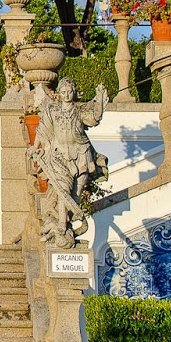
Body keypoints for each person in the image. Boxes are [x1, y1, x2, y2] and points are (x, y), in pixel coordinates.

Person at [27, 77, 108, 248]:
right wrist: (35, 147)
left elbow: (95, 118)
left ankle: (66, 225)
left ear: (74, 93)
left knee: (75, 196)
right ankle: (62, 226)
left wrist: (100, 99)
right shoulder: (53, 111)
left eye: (69, 92)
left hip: (81, 155)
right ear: (59, 93)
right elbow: (42, 130)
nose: (66, 95)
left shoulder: (79, 111)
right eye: (63, 92)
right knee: (63, 190)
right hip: (59, 156)